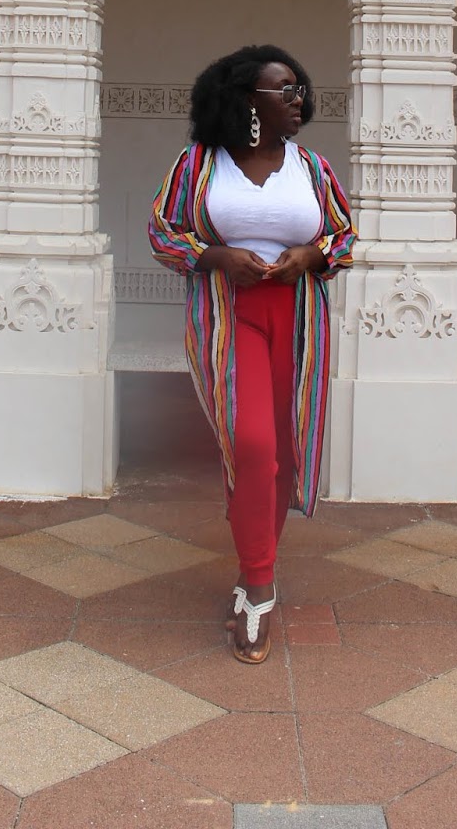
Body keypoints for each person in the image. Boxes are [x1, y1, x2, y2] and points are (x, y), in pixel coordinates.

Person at [148, 44, 356, 665]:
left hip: (297, 317)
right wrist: (216, 256)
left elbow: (343, 234)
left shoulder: (312, 167)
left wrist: (310, 257)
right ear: (246, 100)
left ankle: (254, 568)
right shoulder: (199, 164)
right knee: (253, 443)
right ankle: (260, 588)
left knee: (285, 451)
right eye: (283, 89)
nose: (298, 100)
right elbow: (163, 230)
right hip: (226, 316)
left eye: (298, 89)